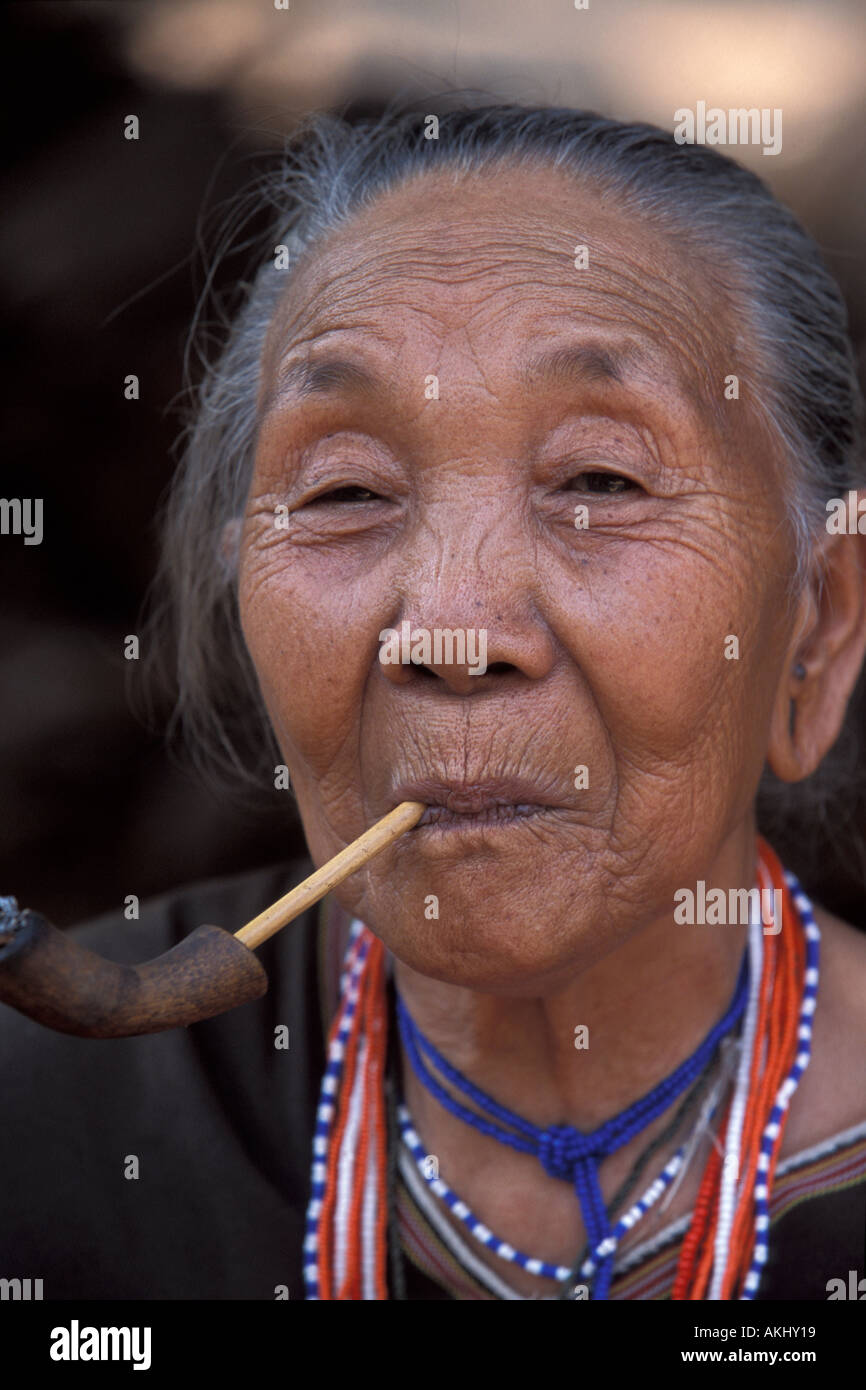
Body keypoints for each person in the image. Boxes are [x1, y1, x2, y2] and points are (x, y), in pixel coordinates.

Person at [2, 104, 865, 1301]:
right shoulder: (47, 1125)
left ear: (814, 627)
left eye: (601, 478)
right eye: (346, 489)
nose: (450, 630)